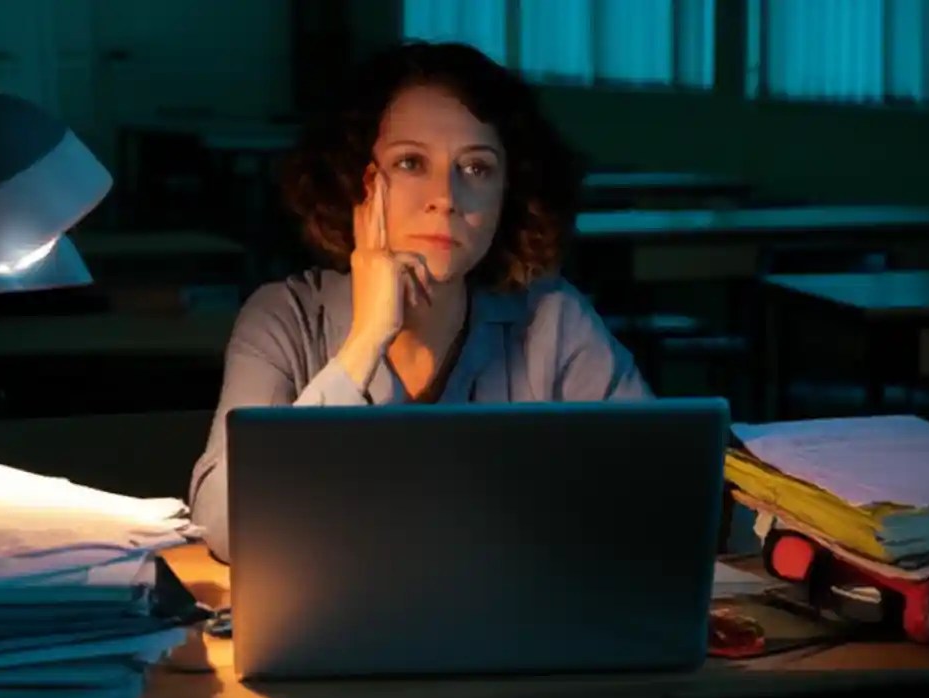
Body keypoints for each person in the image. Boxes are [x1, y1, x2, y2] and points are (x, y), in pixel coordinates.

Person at [189, 41, 653, 563]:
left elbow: (657, 491)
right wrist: (364, 346)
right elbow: (227, 525)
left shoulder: (553, 320)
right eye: (411, 163)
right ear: (365, 186)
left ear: (507, 191)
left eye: (476, 168)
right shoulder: (284, 319)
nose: (446, 197)